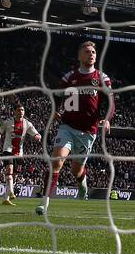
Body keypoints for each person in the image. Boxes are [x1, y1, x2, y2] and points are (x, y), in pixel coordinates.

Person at [37, 40, 113, 216]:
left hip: (88, 132)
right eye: (87, 51)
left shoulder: (102, 78)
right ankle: (44, 203)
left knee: (76, 170)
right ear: (80, 56)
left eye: (93, 52)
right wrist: (54, 110)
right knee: (57, 161)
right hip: (67, 126)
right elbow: (57, 95)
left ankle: (82, 184)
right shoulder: (69, 77)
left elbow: (111, 102)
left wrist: (107, 119)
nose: (91, 54)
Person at [0, 103, 41, 204]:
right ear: (14, 111)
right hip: (8, 150)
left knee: (14, 176)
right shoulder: (7, 122)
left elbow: (36, 133)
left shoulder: (27, 124)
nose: (21, 112)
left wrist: (37, 136)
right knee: (10, 170)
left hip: (19, 153)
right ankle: (11, 192)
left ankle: (5, 199)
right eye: (19, 110)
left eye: (22, 110)